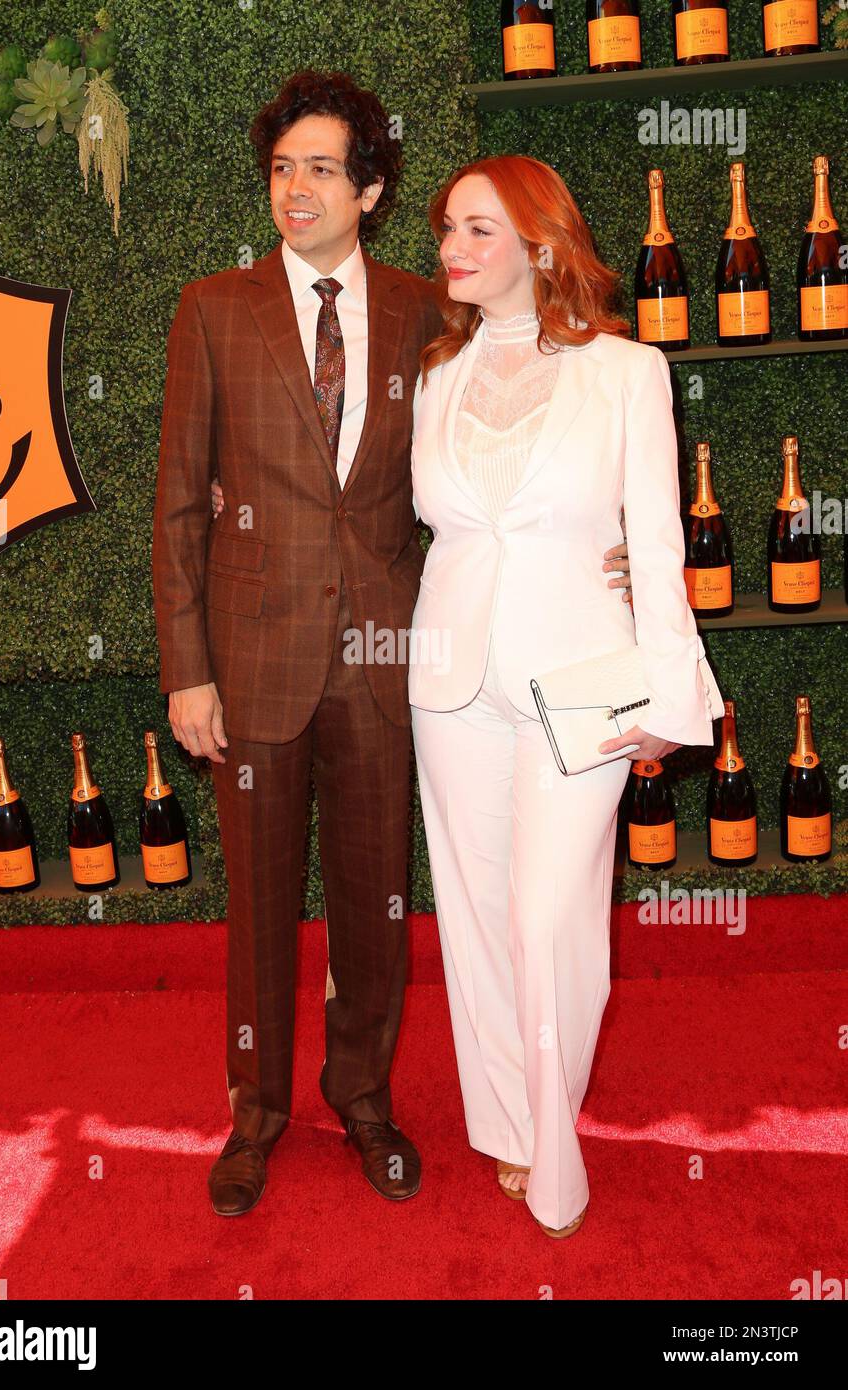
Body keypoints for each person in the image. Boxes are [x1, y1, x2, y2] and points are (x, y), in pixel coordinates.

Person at [173, 71, 633, 1218]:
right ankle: (255, 1117)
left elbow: (548, 398)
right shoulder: (213, 309)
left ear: (371, 189)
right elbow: (181, 503)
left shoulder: (439, 310)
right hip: (254, 663)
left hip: (395, 663)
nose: (298, 188)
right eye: (283, 166)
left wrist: (611, 548)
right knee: (260, 908)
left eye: (323, 167)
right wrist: (187, 666)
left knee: (379, 903)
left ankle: (365, 1102)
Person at [407, 155, 721, 1238]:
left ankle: (555, 1139)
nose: (453, 247)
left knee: (553, 916)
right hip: (450, 681)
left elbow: (659, 546)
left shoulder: (627, 372)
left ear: (540, 244)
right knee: (481, 917)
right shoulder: (436, 379)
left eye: (479, 230)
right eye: (448, 227)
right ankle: (506, 1123)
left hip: (582, 682)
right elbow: (449, 534)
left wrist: (668, 693)